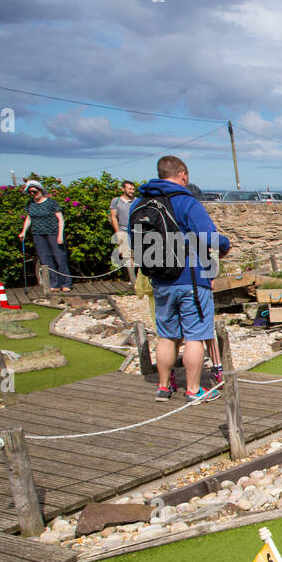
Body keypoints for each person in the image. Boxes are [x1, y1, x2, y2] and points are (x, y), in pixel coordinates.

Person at [134, 155, 231, 404]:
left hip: (159, 279)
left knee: (167, 335)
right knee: (195, 336)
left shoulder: (139, 203)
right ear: (183, 175)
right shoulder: (186, 202)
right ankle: (194, 389)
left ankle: (164, 387)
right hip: (190, 277)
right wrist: (224, 245)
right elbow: (209, 237)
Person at [18, 180, 72, 292]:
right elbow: (29, 218)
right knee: (45, 259)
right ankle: (54, 284)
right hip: (38, 234)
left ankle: (66, 283)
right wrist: (24, 231)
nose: (32, 194)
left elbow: (60, 219)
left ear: (40, 190)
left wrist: (60, 235)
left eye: (34, 191)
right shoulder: (30, 204)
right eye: (30, 192)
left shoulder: (51, 203)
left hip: (53, 233)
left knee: (59, 257)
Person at [109, 180, 139, 281]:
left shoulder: (137, 201)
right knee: (126, 255)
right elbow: (114, 217)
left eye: (133, 189)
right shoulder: (116, 201)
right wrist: (118, 232)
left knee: (138, 256)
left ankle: (138, 279)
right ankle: (132, 279)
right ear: (123, 189)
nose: (132, 191)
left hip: (136, 231)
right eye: (129, 189)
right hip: (123, 230)